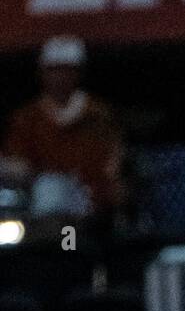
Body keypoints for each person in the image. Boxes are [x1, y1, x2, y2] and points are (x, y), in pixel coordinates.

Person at [2, 36, 123, 219]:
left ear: (78, 73)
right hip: (42, 202)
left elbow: (111, 160)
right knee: (52, 193)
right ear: (41, 73)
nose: (59, 77)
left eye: (67, 70)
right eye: (53, 70)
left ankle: (71, 245)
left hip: (92, 202)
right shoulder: (28, 117)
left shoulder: (96, 113)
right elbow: (18, 161)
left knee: (73, 237)